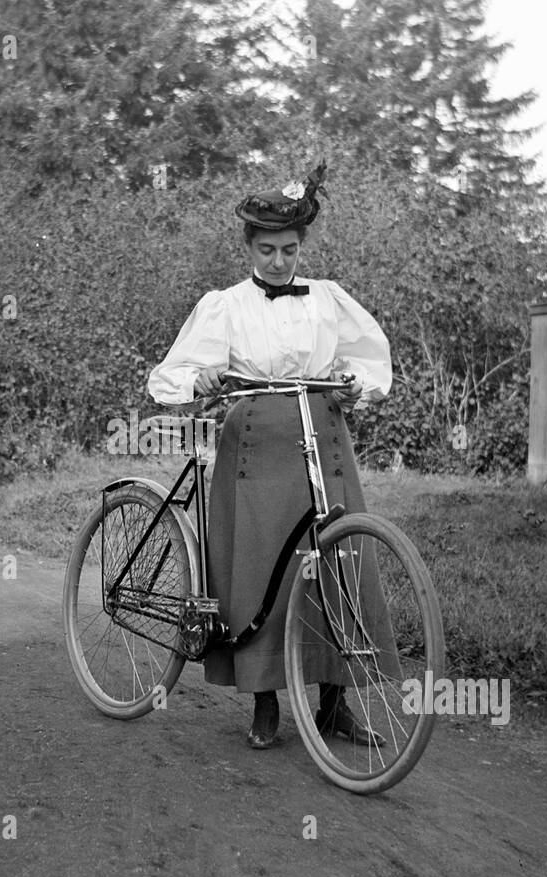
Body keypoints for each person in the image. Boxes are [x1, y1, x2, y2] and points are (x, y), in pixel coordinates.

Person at [147, 160, 404, 749]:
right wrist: (203, 384)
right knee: (262, 569)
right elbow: (172, 373)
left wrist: (350, 385)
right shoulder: (227, 306)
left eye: (289, 249)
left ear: (301, 246)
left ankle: (334, 703)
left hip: (324, 437)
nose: (279, 262)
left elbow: (371, 359)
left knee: (338, 562)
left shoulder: (328, 300)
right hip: (257, 443)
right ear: (249, 248)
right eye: (267, 250)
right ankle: (264, 703)